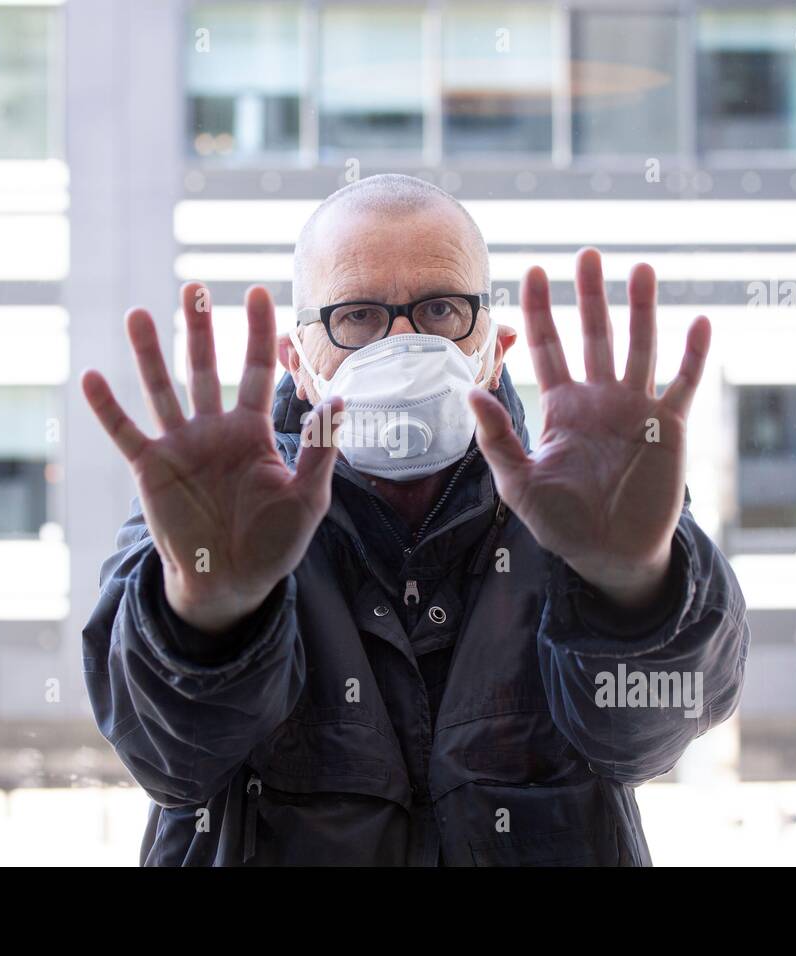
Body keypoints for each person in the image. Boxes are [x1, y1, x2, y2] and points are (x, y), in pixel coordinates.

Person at [80, 174, 749, 866]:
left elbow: (651, 733)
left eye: (439, 310)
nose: (400, 343)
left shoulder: (582, 499)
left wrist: (633, 584)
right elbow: (164, 757)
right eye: (358, 316)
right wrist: (206, 611)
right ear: (298, 363)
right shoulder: (215, 513)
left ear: (496, 348)